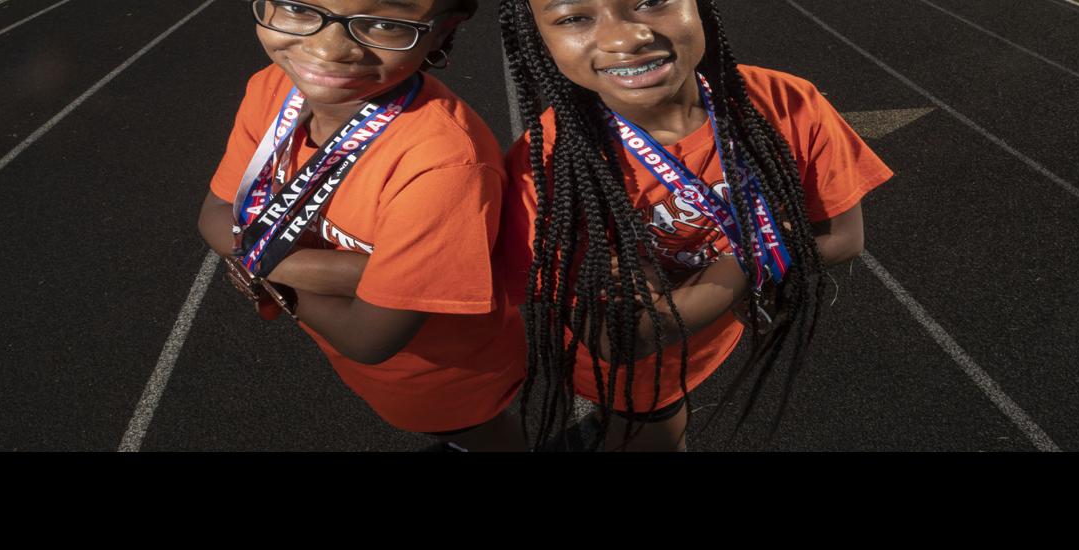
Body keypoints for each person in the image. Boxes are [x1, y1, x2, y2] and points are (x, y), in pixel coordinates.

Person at [496, 0, 893, 451]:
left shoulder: (785, 102)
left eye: (651, 0)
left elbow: (845, 238)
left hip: (711, 333)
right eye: (574, 18)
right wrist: (760, 255)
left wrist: (733, 271)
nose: (627, 37)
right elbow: (623, 338)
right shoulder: (547, 170)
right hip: (637, 376)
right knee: (649, 434)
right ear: (539, 40)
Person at [198, 0, 527, 451]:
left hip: (442, 375)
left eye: (384, 24)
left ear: (442, 31)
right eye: (297, 7)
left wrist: (259, 264)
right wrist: (362, 276)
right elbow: (214, 214)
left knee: (477, 433)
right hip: (344, 348)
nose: (330, 48)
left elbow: (369, 337)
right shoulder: (272, 87)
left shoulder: (447, 165)